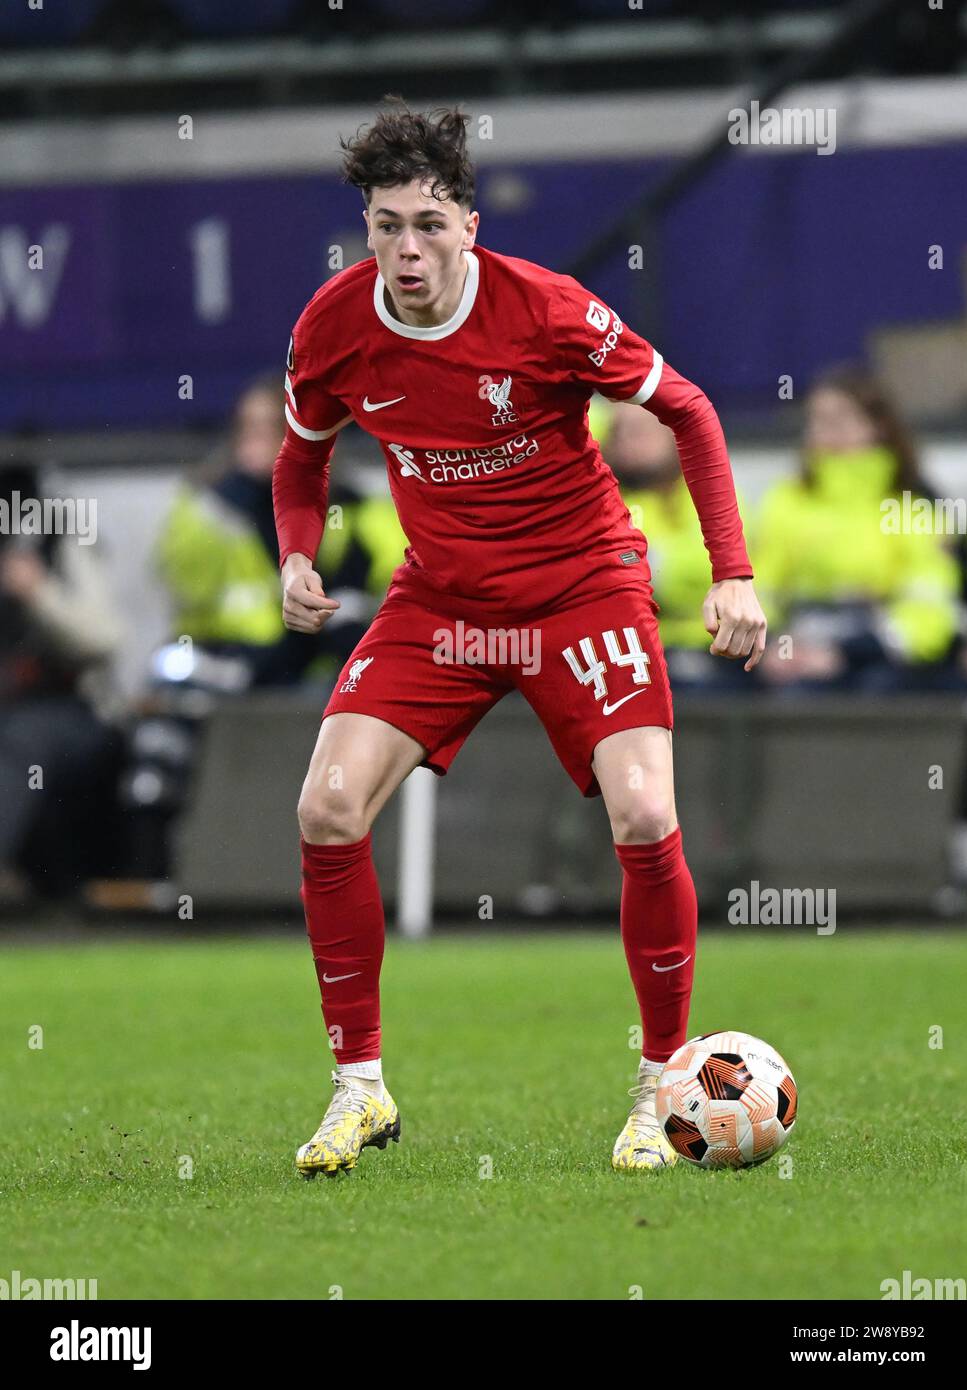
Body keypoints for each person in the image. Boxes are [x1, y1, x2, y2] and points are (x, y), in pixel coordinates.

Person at [272, 102, 766, 1178]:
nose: (408, 249)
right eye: (387, 225)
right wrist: (297, 554)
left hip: (581, 589)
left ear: (470, 226)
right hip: (442, 601)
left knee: (643, 811)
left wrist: (731, 571)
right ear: (365, 227)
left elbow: (689, 410)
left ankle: (660, 1085)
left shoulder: (546, 310)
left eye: (430, 225)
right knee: (324, 805)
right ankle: (359, 1087)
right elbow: (302, 453)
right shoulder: (335, 324)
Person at [157, 374, 394, 687]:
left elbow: (395, 575)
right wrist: (238, 498)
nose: (254, 440)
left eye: (269, 428)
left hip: (316, 667)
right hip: (225, 662)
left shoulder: (353, 506)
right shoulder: (209, 507)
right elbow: (185, 582)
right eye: (247, 427)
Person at [756, 367, 961, 692]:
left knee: (875, 694)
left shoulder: (911, 504)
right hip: (802, 647)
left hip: (881, 656)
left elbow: (931, 609)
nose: (826, 431)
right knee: (793, 695)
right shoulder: (785, 501)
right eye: (817, 420)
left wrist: (851, 653)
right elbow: (761, 589)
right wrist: (770, 648)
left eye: (841, 418)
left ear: (877, 426)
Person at [0, 463, 124, 898]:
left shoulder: (65, 542)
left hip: (72, 711)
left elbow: (104, 637)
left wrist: (38, 592)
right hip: (11, 711)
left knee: (21, 740)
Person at [600, 400, 753, 692]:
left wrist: (644, 566)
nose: (629, 441)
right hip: (621, 649)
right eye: (620, 431)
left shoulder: (706, 492)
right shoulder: (600, 498)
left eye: (642, 430)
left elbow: (711, 569)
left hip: (701, 644)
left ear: (673, 435)